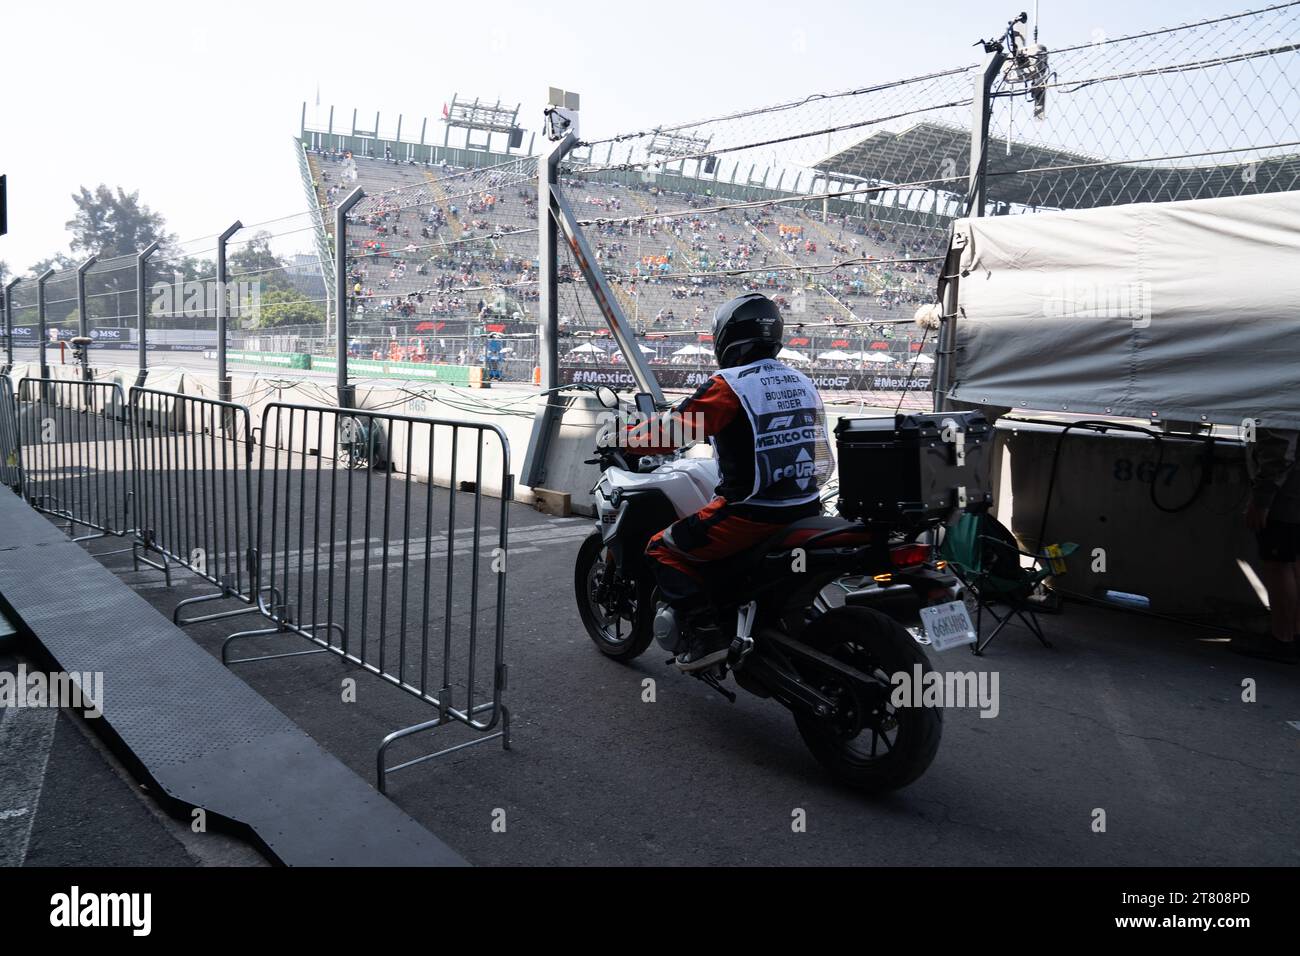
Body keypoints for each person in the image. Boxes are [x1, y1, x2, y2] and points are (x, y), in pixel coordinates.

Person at [636, 292, 832, 671]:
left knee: (661, 547)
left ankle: (705, 633)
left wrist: (627, 438)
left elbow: (675, 430)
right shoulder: (800, 380)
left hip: (751, 514)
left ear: (726, 337)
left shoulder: (730, 385)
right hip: (807, 507)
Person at [1236, 426, 1300, 663]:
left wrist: (1261, 500)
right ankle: (1292, 634)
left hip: (1285, 501)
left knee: (1278, 564)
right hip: (1293, 498)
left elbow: (1279, 452)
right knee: (1292, 564)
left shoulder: (1276, 399)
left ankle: (1282, 638)